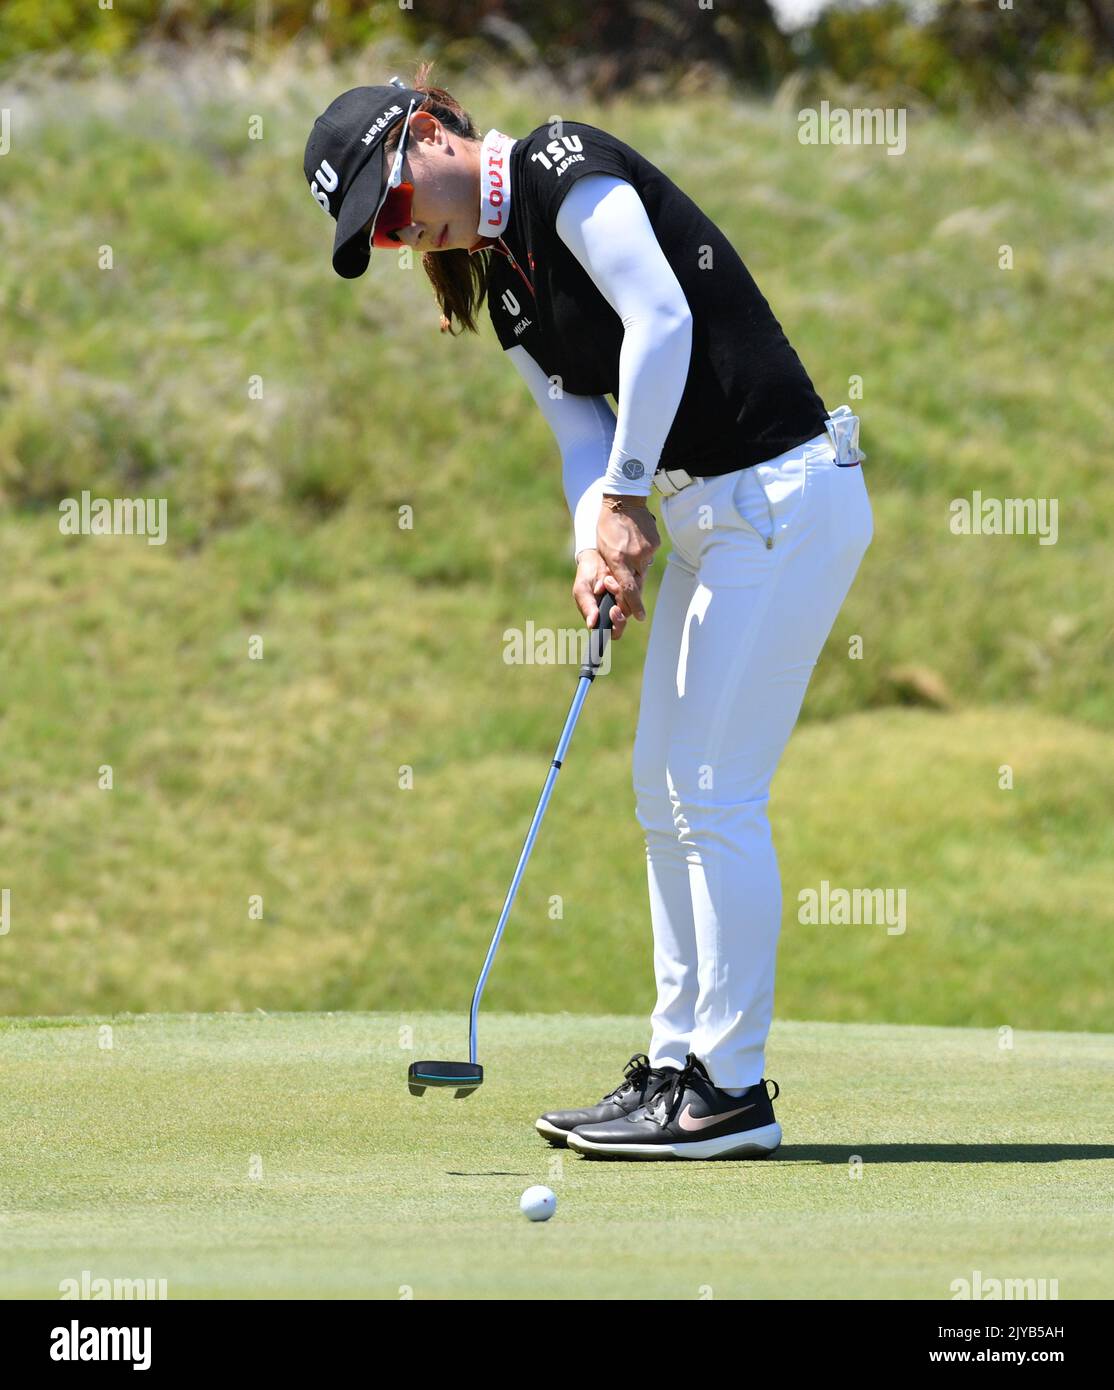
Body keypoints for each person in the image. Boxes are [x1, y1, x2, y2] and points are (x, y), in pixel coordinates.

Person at [304, 65, 873, 1160]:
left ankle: (731, 1087)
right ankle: (673, 1067)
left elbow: (658, 322)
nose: (401, 231)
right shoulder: (499, 287)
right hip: (712, 513)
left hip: (786, 496)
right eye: (378, 234)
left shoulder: (564, 164)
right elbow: (578, 433)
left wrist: (623, 495)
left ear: (427, 130)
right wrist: (594, 538)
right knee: (661, 792)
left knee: (714, 793)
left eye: (393, 199)